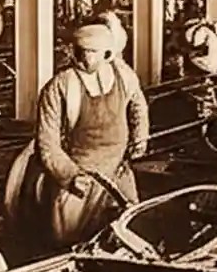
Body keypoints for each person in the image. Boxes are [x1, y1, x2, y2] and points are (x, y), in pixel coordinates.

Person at [35, 20, 150, 247]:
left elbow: (139, 106)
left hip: (118, 169)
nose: (87, 58)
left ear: (107, 53)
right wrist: (69, 176)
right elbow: (47, 144)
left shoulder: (123, 76)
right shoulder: (61, 85)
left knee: (130, 227)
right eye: (82, 52)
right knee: (68, 237)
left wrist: (140, 137)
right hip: (82, 173)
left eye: (93, 53)